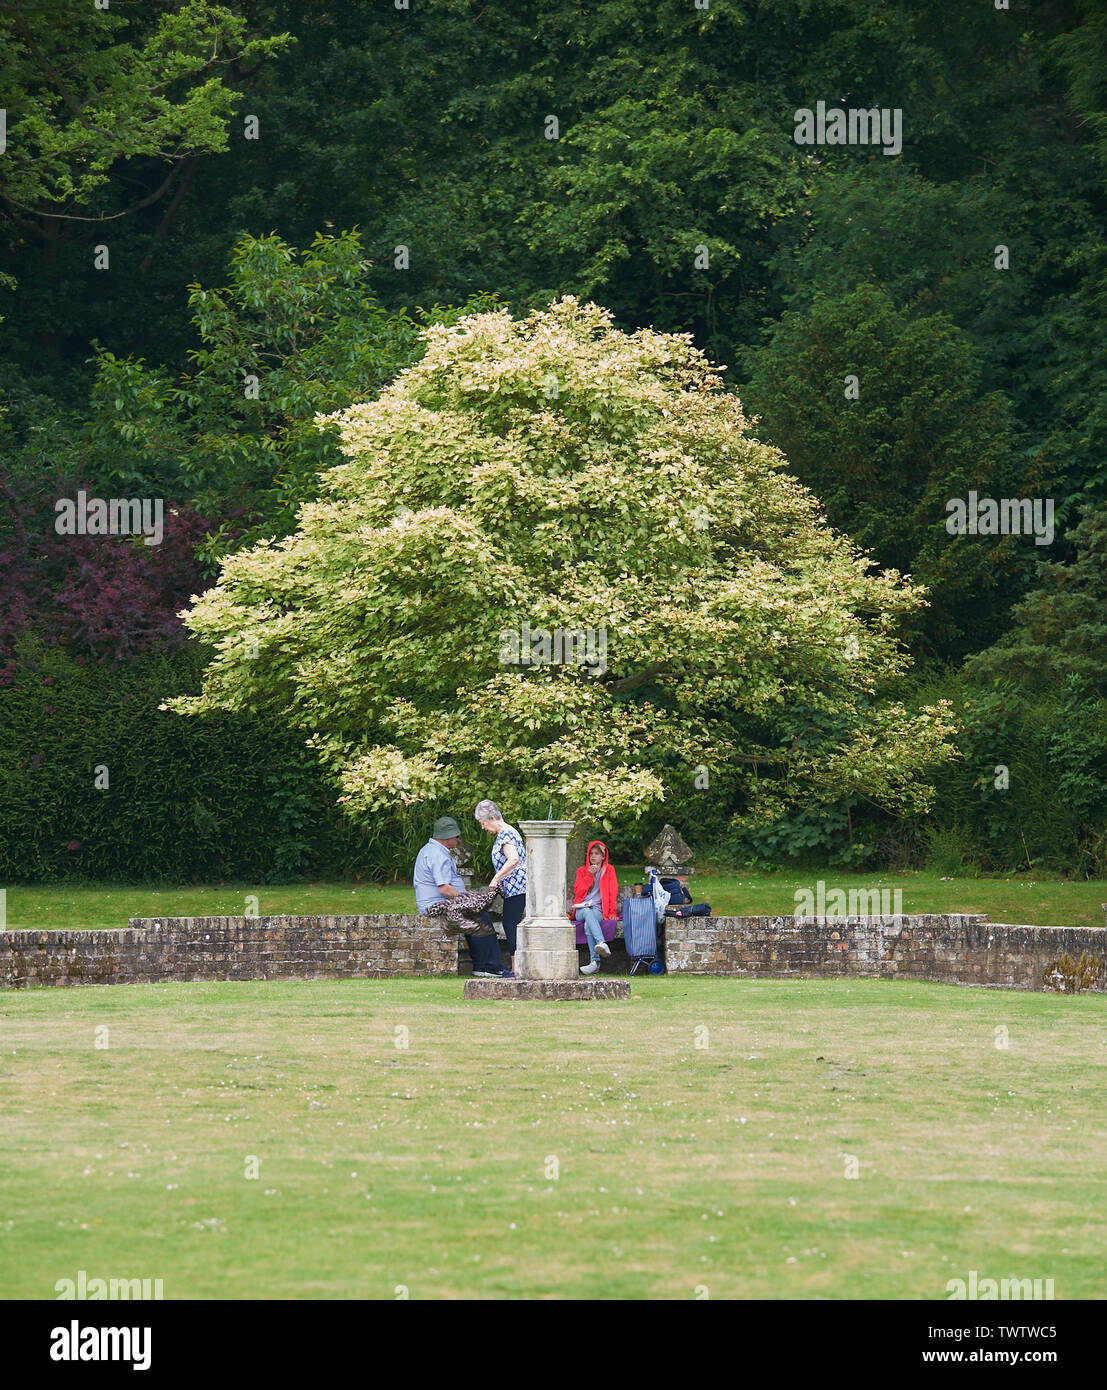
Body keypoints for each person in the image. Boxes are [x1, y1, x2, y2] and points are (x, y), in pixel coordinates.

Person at [413, 815, 510, 978]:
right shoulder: (438, 854)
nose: (457, 840)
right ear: (448, 837)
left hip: (437, 902)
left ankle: (483, 965)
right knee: (480, 917)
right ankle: (489, 967)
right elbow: (444, 888)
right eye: (456, 836)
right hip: (436, 904)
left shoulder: (432, 850)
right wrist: (466, 899)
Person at [475, 800, 526, 975]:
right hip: (514, 888)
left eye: (483, 823)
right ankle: (516, 967)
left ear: (491, 818)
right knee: (511, 924)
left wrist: (496, 878)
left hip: (518, 888)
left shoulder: (506, 834)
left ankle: (517, 968)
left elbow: (513, 859)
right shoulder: (506, 833)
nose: (483, 827)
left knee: (511, 924)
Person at [569, 840, 617, 975]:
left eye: (597, 854)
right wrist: (589, 875)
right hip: (580, 909)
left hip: (598, 910)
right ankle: (601, 942)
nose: (593, 856)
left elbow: (613, 892)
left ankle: (594, 963)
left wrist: (612, 911)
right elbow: (578, 892)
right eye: (591, 854)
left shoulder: (609, 870)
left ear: (603, 856)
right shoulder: (582, 871)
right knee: (586, 912)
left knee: (587, 925)